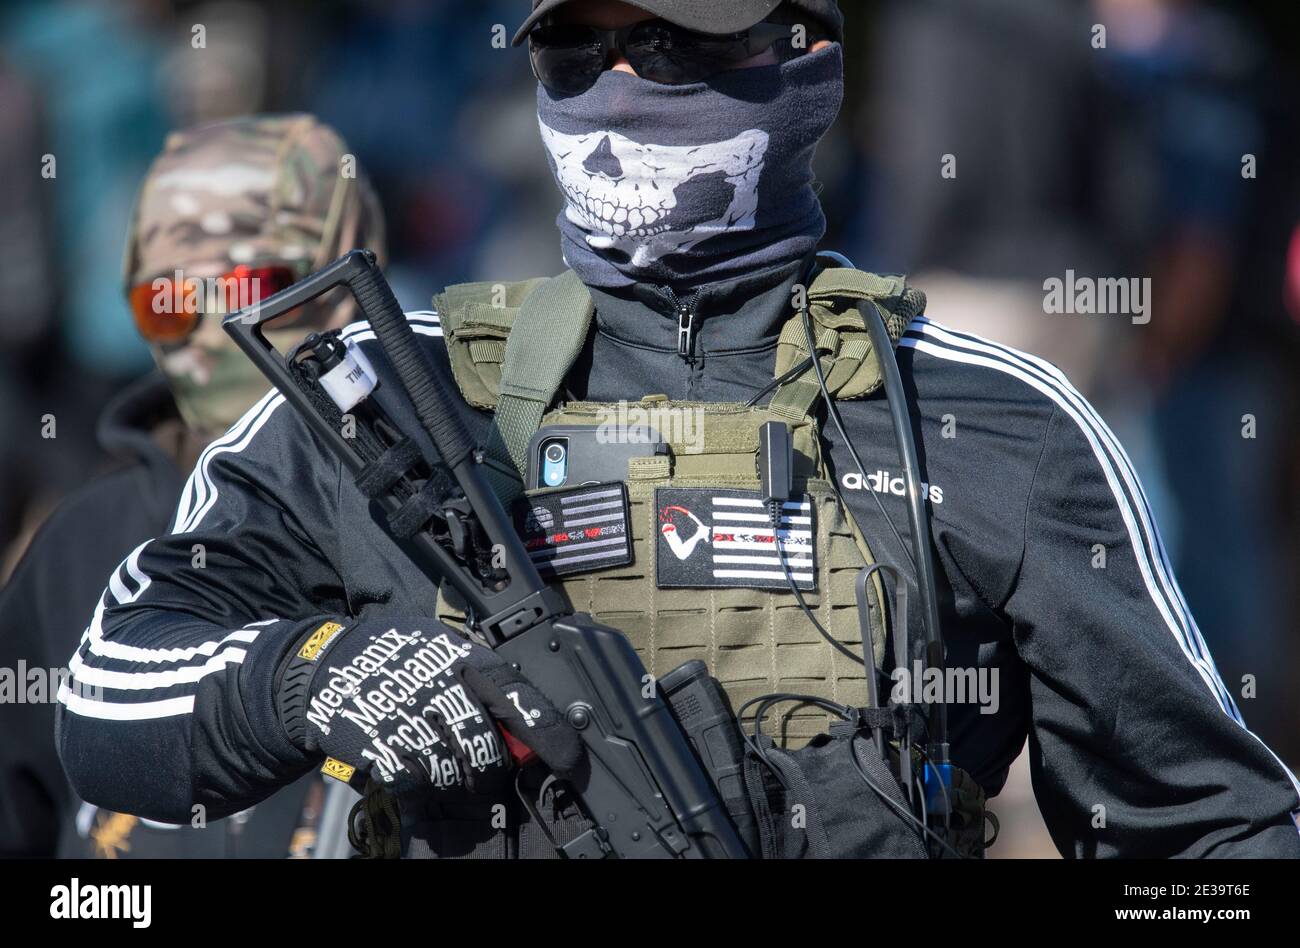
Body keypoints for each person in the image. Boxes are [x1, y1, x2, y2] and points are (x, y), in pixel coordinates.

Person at [56, 0, 1300, 858]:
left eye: (670, 41)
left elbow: (1206, 833)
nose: (620, 81)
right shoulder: (378, 400)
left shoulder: (983, 422)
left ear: (806, 53)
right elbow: (106, 694)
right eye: (577, 47)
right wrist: (307, 676)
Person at [2, 113, 386, 857]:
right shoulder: (78, 546)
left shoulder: (428, 520)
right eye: (172, 302)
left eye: (250, 290)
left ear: (344, 279)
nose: (213, 336)